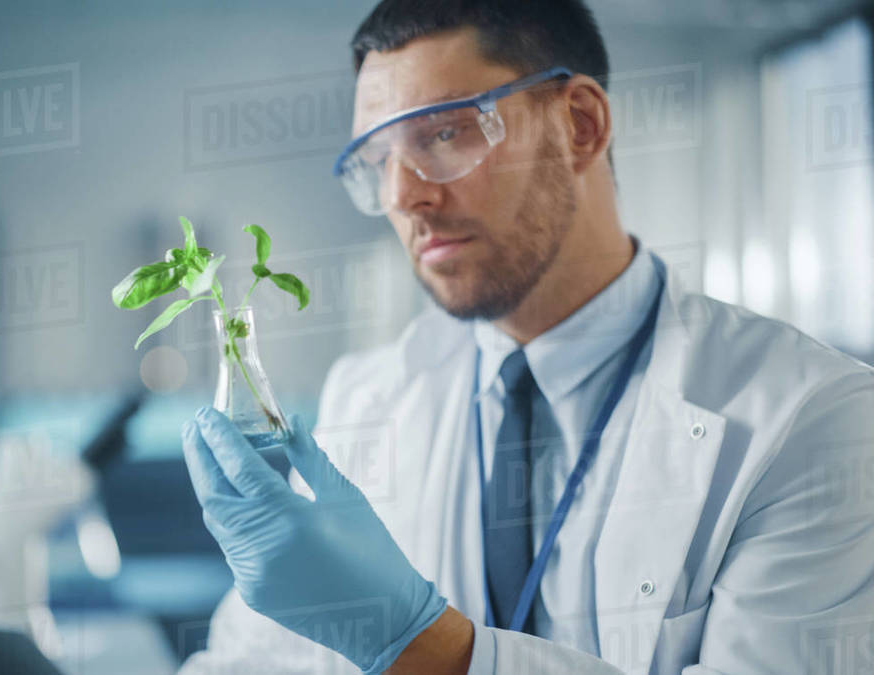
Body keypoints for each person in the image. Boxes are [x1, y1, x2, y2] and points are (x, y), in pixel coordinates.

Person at [178, 1, 874, 673]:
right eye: (377, 159)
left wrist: (416, 643)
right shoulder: (366, 397)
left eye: (443, 133)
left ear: (579, 124)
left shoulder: (814, 420)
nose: (402, 196)